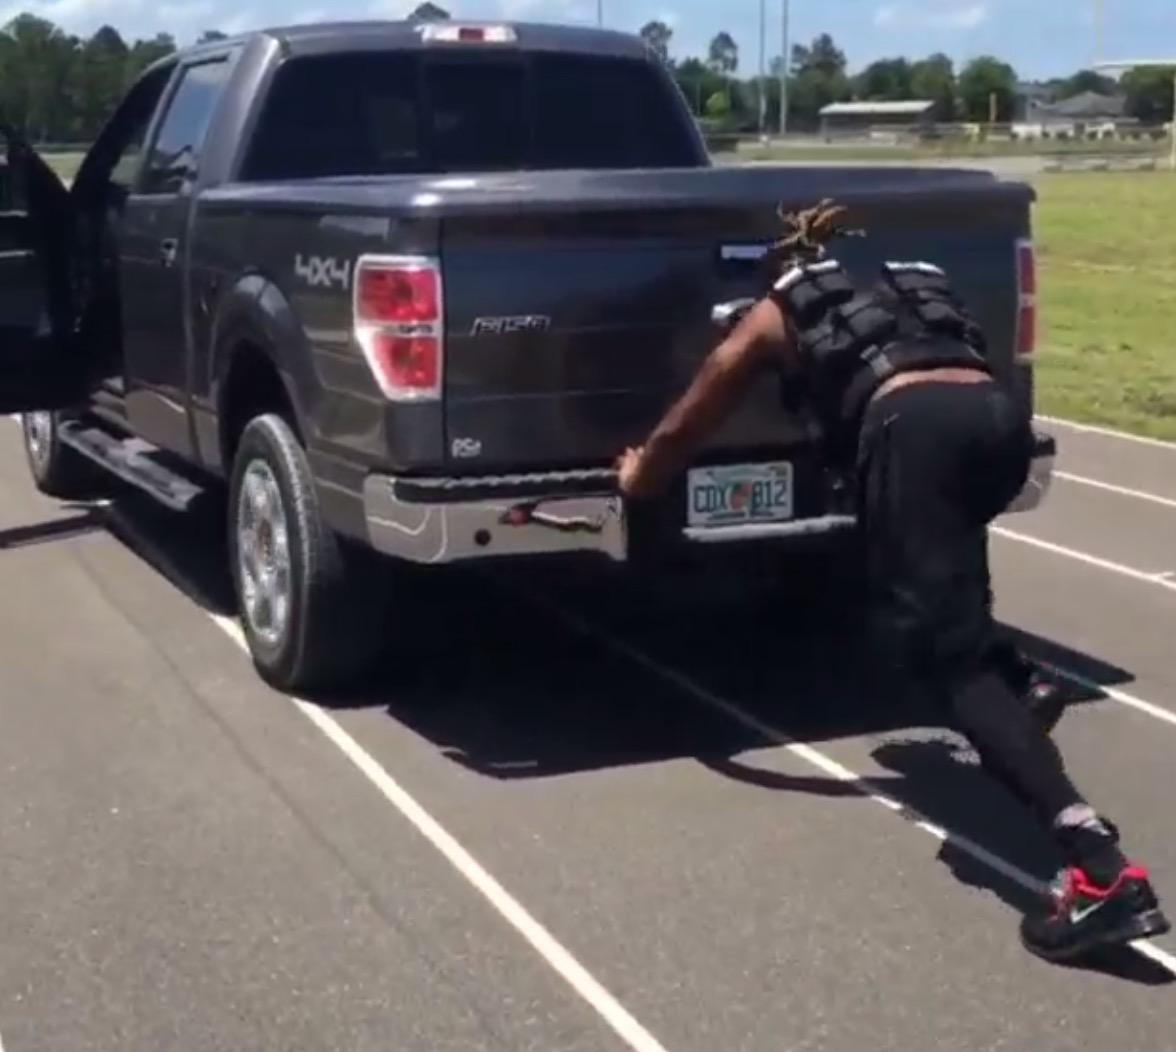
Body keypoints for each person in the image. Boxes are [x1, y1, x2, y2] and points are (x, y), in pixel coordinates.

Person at [614, 199, 1169, 962]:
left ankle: (1101, 871)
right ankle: (1024, 681)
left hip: (917, 438)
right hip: (995, 425)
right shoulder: (912, 285)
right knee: (934, 605)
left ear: (784, 271)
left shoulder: (780, 312)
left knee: (948, 661)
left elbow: (698, 408)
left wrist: (644, 474)